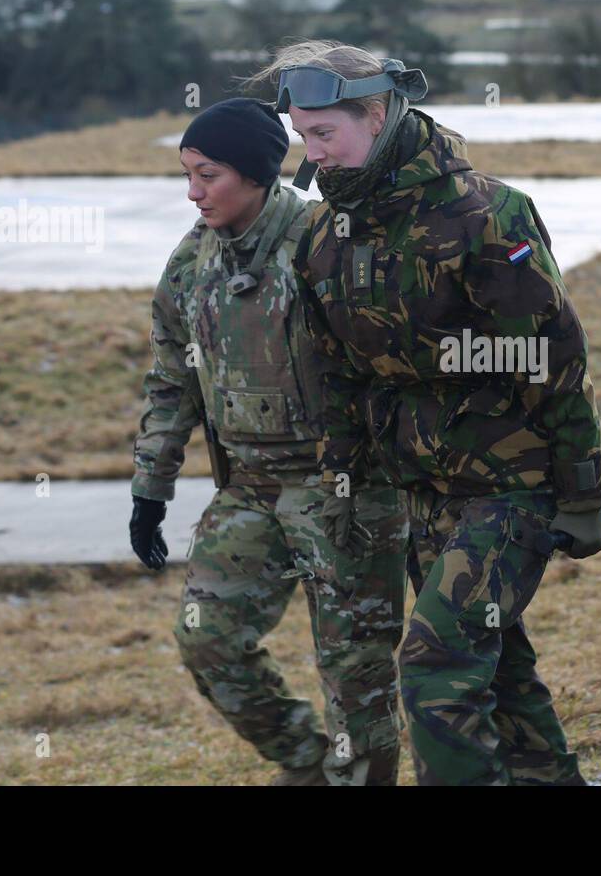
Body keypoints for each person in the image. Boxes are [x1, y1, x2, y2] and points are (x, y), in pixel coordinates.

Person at [251, 39, 601, 785]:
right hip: (421, 489)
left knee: (438, 668)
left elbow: (555, 359)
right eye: (302, 138)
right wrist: (342, 480)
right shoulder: (324, 236)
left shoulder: (484, 214)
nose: (312, 157)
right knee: (499, 672)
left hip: (512, 486)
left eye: (326, 135)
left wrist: (582, 495)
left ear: (377, 114)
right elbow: (335, 374)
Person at [129, 97, 410, 786]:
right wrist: (150, 490)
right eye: (187, 175)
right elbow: (172, 383)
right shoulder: (191, 264)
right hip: (249, 492)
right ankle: (307, 766)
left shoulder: (327, 246)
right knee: (208, 639)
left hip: (345, 493)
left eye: (209, 175)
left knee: (355, 674)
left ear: (257, 174)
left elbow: (399, 372)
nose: (194, 192)